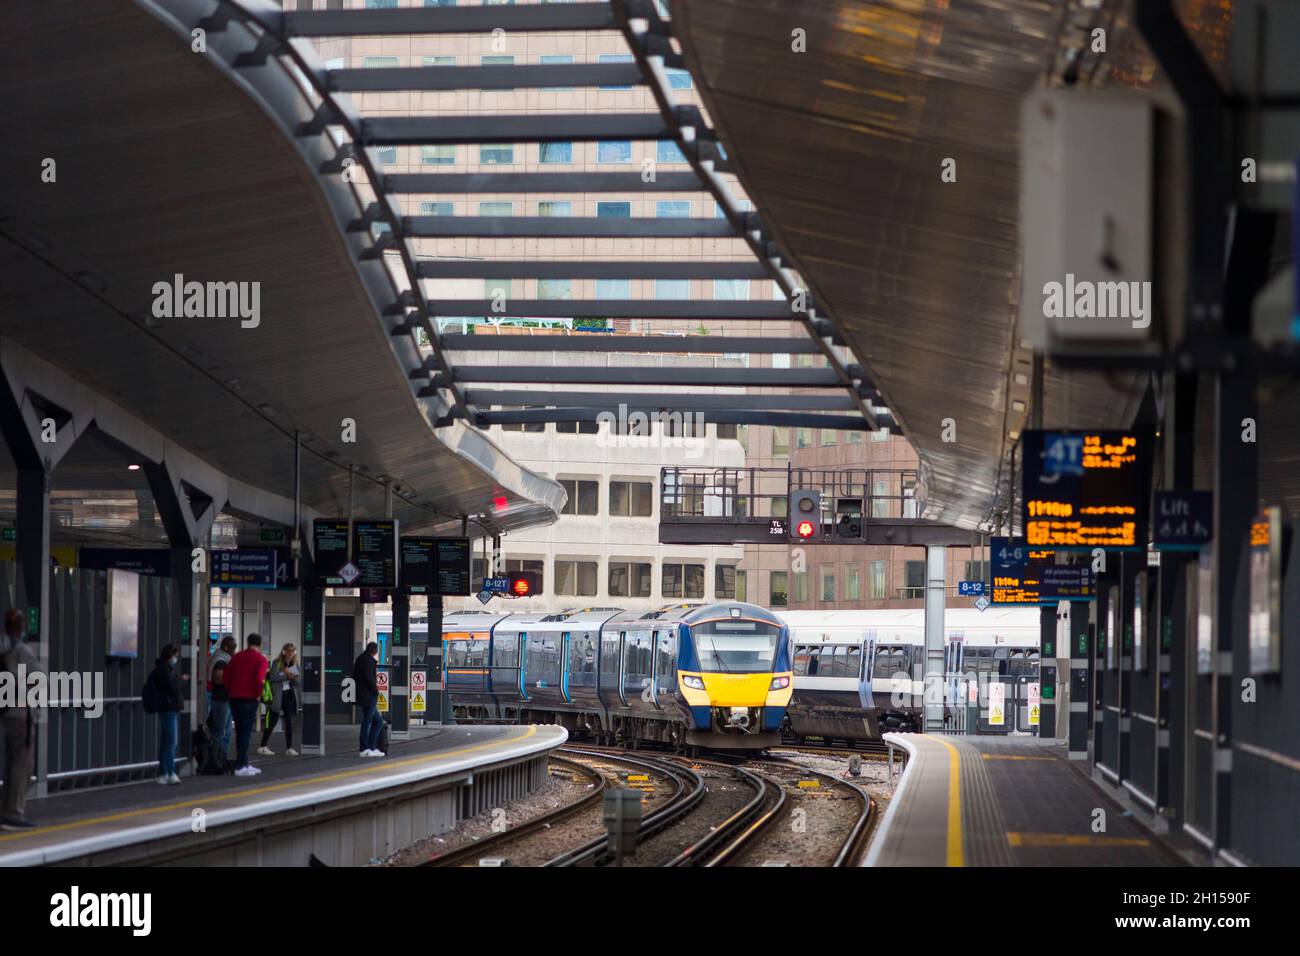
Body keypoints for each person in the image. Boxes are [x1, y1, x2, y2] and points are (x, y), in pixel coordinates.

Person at [0, 609, 42, 829]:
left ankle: (5, 811)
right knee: (22, 766)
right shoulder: (23, 651)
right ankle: (14, 814)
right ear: (21, 626)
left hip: (7, 713)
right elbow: (40, 678)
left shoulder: (3, 649)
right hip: (21, 713)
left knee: (10, 764)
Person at [224, 633, 269, 777]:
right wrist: (257, 694)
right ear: (260, 644)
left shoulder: (236, 657)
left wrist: (232, 690)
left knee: (240, 732)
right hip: (249, 699)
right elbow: (259, 680)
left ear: (247, 642)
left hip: (234, 699)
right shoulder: (261, 660)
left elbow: (226, 677)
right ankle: (240, 766)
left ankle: (244, 763)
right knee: (246, 733)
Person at [146, 644, 185, 785]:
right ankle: (171, 771)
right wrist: (181, 680)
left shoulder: (162, 669)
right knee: (171, 742)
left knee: (166, 742)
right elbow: (172, 687)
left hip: (166, 709)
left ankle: (163, 773)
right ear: (169, 656)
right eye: (175, 656)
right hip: (168, 709)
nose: (176, 659)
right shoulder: (165, 671)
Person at [257, 643, 302, 757]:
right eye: (288, 650)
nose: (290, 653)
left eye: (292, 651)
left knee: (289, 722)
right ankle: (263, 745)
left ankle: (289, 748)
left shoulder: (295, 664)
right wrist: (287, 675)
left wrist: (292, 678)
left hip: (289, 695)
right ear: (283, 651)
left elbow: (298, 682)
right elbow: (273, 677)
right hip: (278, 694)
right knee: (273, 720)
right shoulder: (277, 663)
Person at [353, 641, 384, 758]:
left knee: (377, 721)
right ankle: (364, 748)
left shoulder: (362, 659)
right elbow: (369, 678)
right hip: (368, 696)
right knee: (367, 721)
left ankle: (371, 747)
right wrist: (376, 691)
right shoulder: (367, 661)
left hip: (365, 695)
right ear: (374, 650)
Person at [208, 636, 236, 756]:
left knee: (226, 731)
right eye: (233, 647)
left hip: (226, 699)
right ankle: (216, 758)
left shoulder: (225, 659)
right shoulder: (220, 661)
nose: (234, 650)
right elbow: (218, 679)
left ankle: (222, 757)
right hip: (221, 699)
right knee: (220, 731)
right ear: (225, 647)